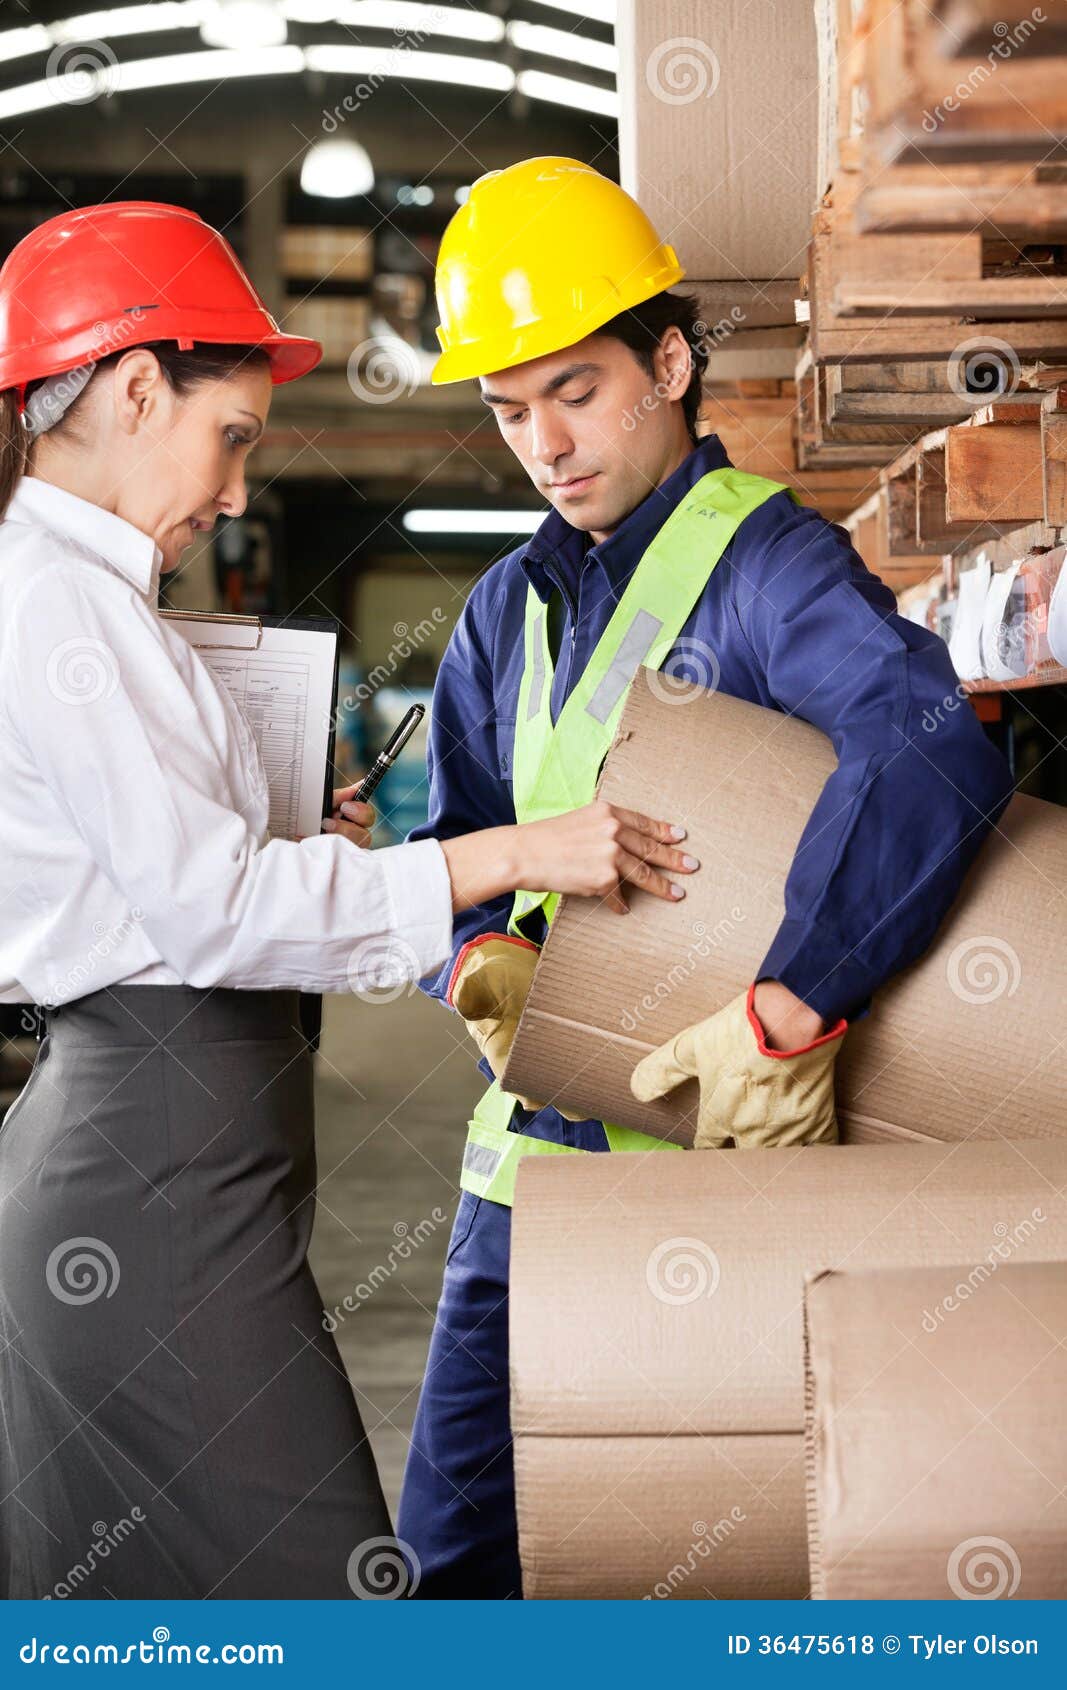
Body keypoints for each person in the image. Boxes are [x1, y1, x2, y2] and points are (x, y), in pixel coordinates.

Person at [0, 200, 695, 1600]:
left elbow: (164, 875)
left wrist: (276, 841)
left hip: (167, 1153)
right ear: (137, 388)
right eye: (234, 435)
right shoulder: (60, 608)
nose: (241, 489)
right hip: (151, 1167)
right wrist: (508, 853)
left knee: (140, 1607)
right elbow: (207, 914)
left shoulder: (90, 598)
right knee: (333, 1588)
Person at [396, 156, 1016, 1596]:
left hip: (727, 1188)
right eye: (507, 410)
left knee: (704, 1569)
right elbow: (460, 842)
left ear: (669, 363)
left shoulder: (769, 570)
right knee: (452, 1570)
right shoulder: (504, 612)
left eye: (577, 389)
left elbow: (928, 740)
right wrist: (475, 961)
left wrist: (794, 1004)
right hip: (524, 1192)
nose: (543, 440)